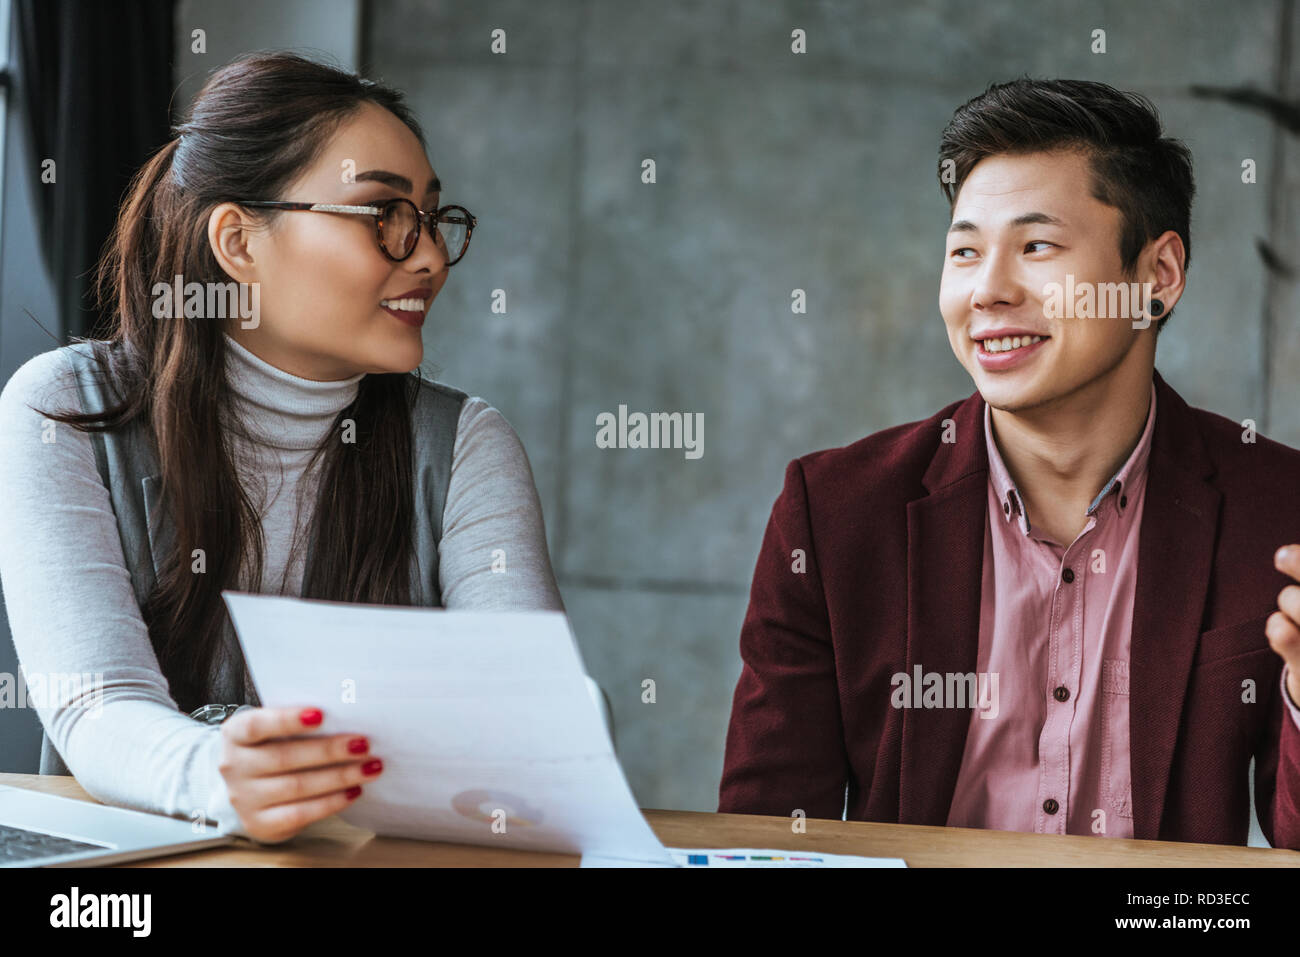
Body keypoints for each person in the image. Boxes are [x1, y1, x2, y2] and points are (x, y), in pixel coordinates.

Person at [718, 76, 1300, 849]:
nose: (986, 291)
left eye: (1036, 247)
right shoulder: (832, 514)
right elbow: (765, 842)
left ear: (1155, 278)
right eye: (964, 252)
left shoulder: (1277, 506)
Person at [0, 52, 562, 845]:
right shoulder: (62, 409)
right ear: (237, 242)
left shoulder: (467, 445)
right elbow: (97, 704)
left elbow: (532, 725)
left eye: (433, 218)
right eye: (384, 216)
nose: (430, 257)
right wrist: (216, 774)